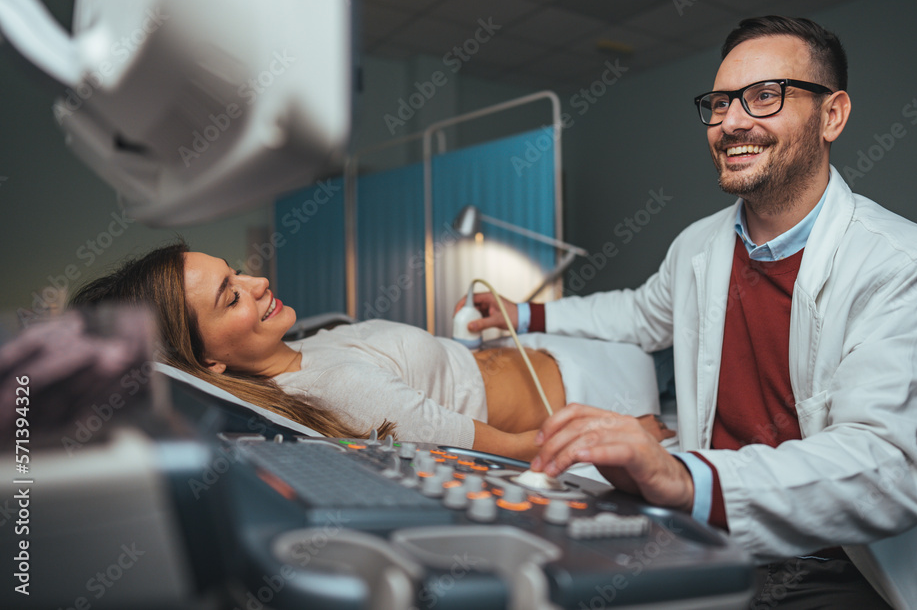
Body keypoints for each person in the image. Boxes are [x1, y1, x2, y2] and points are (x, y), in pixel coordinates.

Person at [461, 16, 917, 608]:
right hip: (715, 538)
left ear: (832, 115)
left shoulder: (905, 265)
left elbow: (886, 469)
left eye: (765, 96)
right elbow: (637, 314)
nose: (732, 121)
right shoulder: (697, 246)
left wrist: (683, 478)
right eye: (720, 102)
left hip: (845, 567)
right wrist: (521, 316)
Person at [70, 241, 669, 461]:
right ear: (206, 364)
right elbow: (519, 450)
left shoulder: (305, 352)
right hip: (601, 395)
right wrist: (624, 436)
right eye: (231, 299)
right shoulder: (333, 395)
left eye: (236, 272)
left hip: (568, 355)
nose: (256, 284)